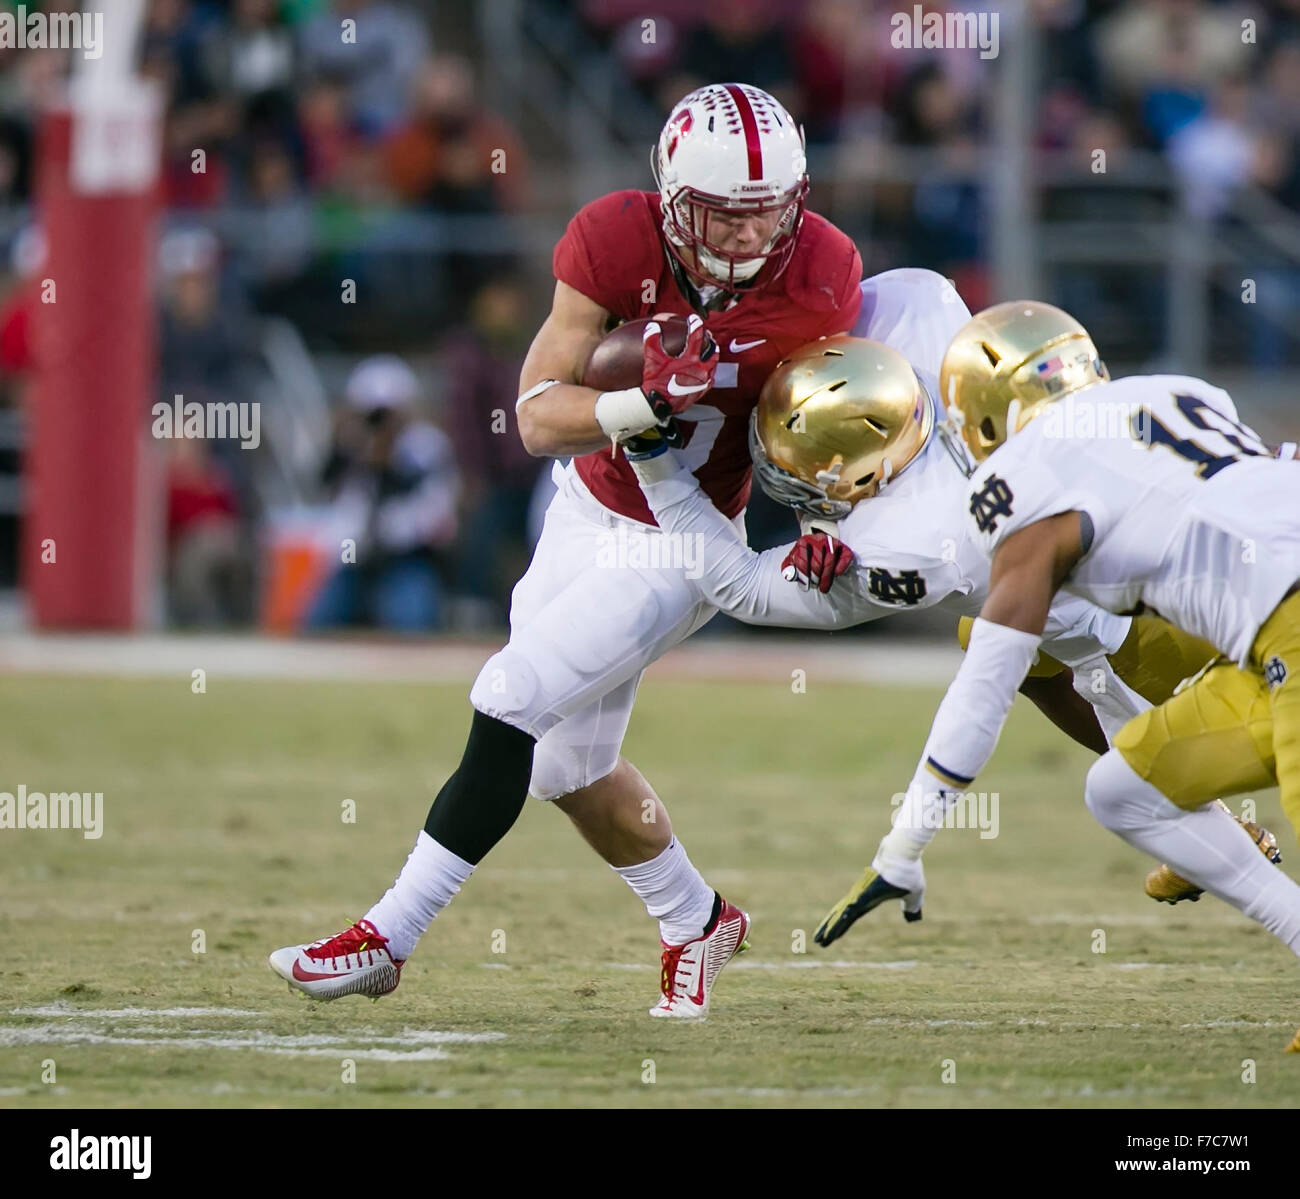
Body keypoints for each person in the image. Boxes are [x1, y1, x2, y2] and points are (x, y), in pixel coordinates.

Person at [270, 83, 938, 1019]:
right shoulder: (613, 241)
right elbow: (538, 417)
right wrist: (639, 404)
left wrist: (841, 532)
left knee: (509, 694)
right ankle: (698, 919)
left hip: (687, 539)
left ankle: (388, 934)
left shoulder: (823, 269)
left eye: (766, 215)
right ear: (670, 199)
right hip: (585, 505)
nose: (747, 240)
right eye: (721, 216)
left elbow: (841, 427)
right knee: (564, 767)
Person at [623, 333, 1280, 931]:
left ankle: (1194, 819)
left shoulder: (928, 541)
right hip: (1220, 548)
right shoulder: (1144, 386)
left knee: (1029, 650)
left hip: (1192, 625)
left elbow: (739, 586)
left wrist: (655, 461)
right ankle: (1198, 822)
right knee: (1051, 673)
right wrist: (822, 526)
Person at [815, 300, 1300, 1049]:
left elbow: (987, 681)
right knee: (1124, 788)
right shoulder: (1178, 391)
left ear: (981, 419)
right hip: (1261, 643)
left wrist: (903, 847)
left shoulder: (1024, 476)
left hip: (1287, 626)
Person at [305, 355, 458, 631]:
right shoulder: (350, 448)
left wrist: (391, 466)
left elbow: (434, 515)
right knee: (318, 622)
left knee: (413, 620)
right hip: (354, 562)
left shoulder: (425, 449)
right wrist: (353, 456)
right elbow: (326, 499)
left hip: (406, 560)